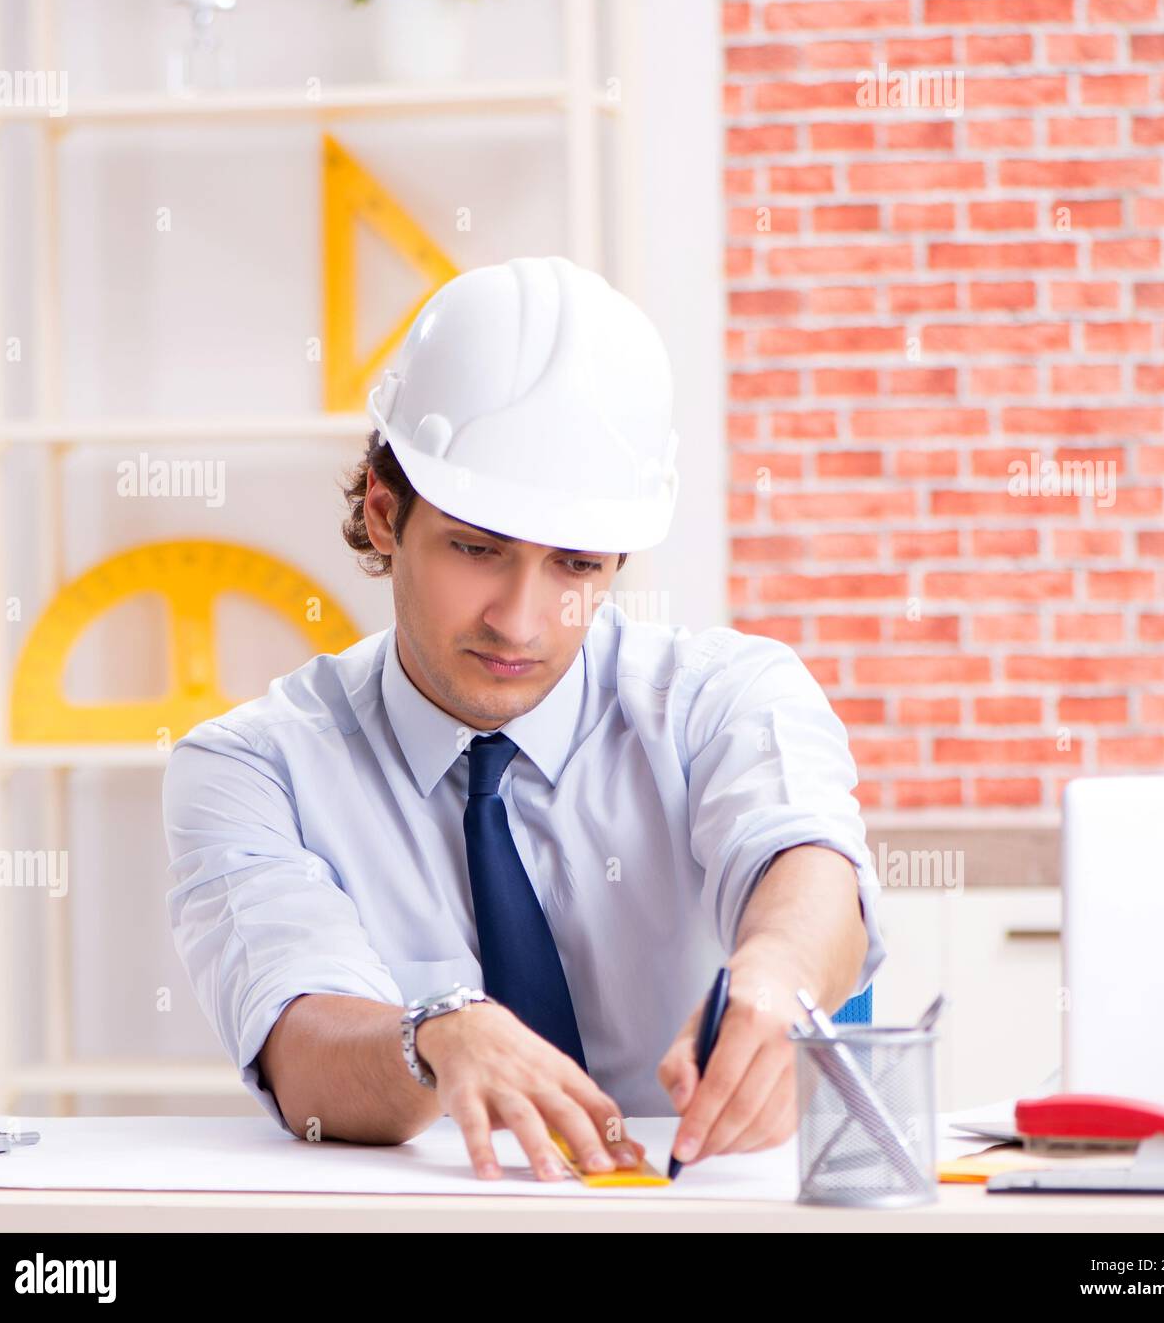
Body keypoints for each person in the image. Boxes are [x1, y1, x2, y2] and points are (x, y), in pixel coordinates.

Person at [163, 254, 884, 1182]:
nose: (521, 619)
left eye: (577, 567)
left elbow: (807, 858)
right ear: (385, 517)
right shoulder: (252, 768)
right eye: (475, 548)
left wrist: (777, 979)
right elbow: (302, 1048)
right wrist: (439, 1039)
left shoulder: (722, 695)